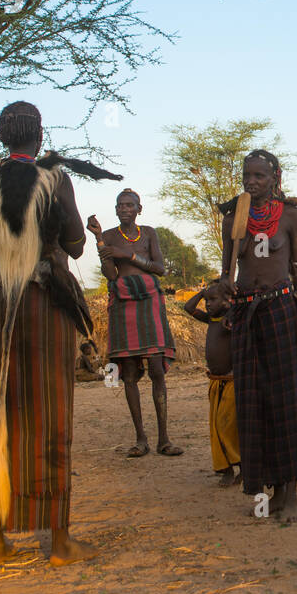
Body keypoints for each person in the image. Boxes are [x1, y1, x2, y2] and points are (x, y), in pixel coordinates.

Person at [0, 101, 95, 567]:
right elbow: (77, 243)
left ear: (3, 137)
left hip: (0, 304)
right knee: (51, 415)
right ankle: (59, 543)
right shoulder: (57, 179)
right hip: (46, 305)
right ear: (39, 136)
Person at [221, 149, 297, 522]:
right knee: (253, 403)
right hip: (246, 313)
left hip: (282, 308)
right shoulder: (234, 217)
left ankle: (291, 494)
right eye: (247, 176)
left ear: (275, 177)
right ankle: (267, 494)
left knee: (287, 401)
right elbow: (227, 272)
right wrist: (224, 289)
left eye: (259, 177)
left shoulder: (290, 215)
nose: (251, 182)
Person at [87, 190, 180, 457]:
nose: (124, 208)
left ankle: (164, 439)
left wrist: (127, 255)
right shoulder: (109, 236)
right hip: (123, 303)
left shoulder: (149, 233)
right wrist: (99, 241)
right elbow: (110, 275)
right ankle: (141, 439)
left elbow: (160, 268)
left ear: (139, 208)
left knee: (156, 370)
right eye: (120, 205)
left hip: (150, 301)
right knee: (128, 373)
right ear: (116, 210)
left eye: (130, 205)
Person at [182, 280, 241, 485]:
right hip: (215, 382)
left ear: (227, 301)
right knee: (216, 428)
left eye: (212, 299)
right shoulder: (212, 319)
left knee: (228, 427)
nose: (207, 304)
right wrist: (202, 293)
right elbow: (188, 308)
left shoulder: (230, 320)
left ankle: (241, 466)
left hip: (232, 381)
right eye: (207, 301)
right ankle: (226, 470)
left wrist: (229, 304)